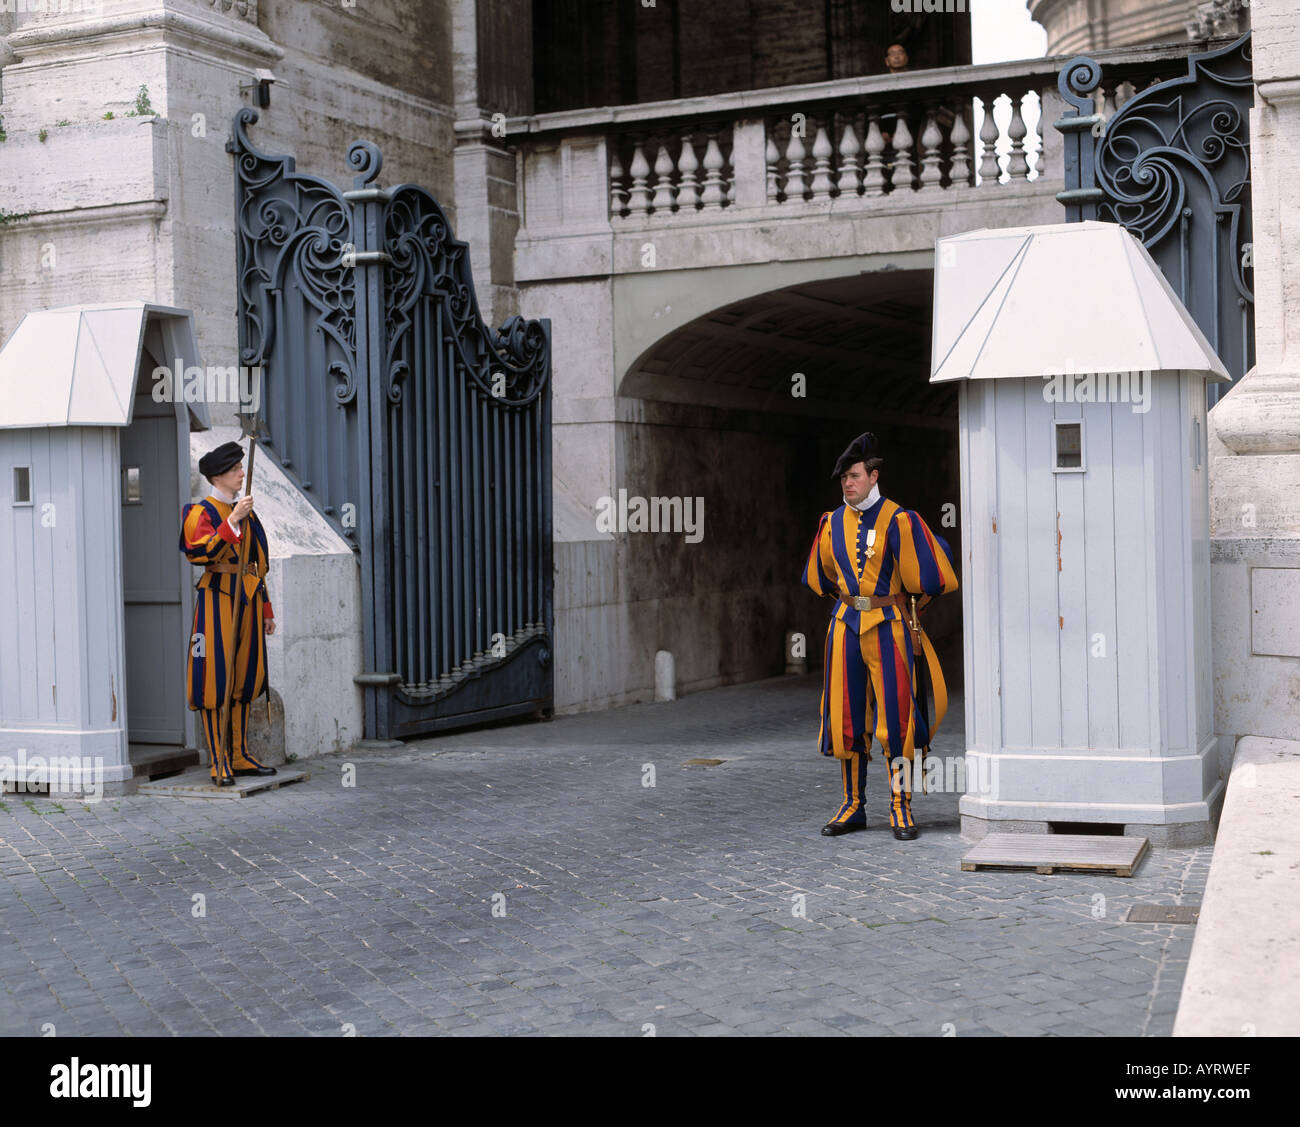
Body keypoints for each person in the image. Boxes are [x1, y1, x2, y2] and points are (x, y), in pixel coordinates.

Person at [801, 431, 957, 840]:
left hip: (889, 626)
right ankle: (853, 805)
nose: (847, 484)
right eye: (843, 479)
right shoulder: (831, 522)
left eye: (854, 476)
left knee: (897, 718)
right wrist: (852, 603)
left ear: (873, 475)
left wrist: (906, 608)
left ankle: (900, 806)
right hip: (845, 626)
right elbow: (822, 577)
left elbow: (929, 577)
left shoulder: (899, 520)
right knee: (846, 716)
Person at [180, 440, 277, 786]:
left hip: (248, 602)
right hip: (216, 601)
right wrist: (232, 520)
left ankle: (239, 754)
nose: (241, 474)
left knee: (245, 678)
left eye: (240, 468)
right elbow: (198, 552)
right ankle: (218, 760)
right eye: (235, 469)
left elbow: (257, 564)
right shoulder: (199, 513)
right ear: (218, 476)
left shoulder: (247, 514)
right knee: (214, 680)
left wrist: (265, 608)